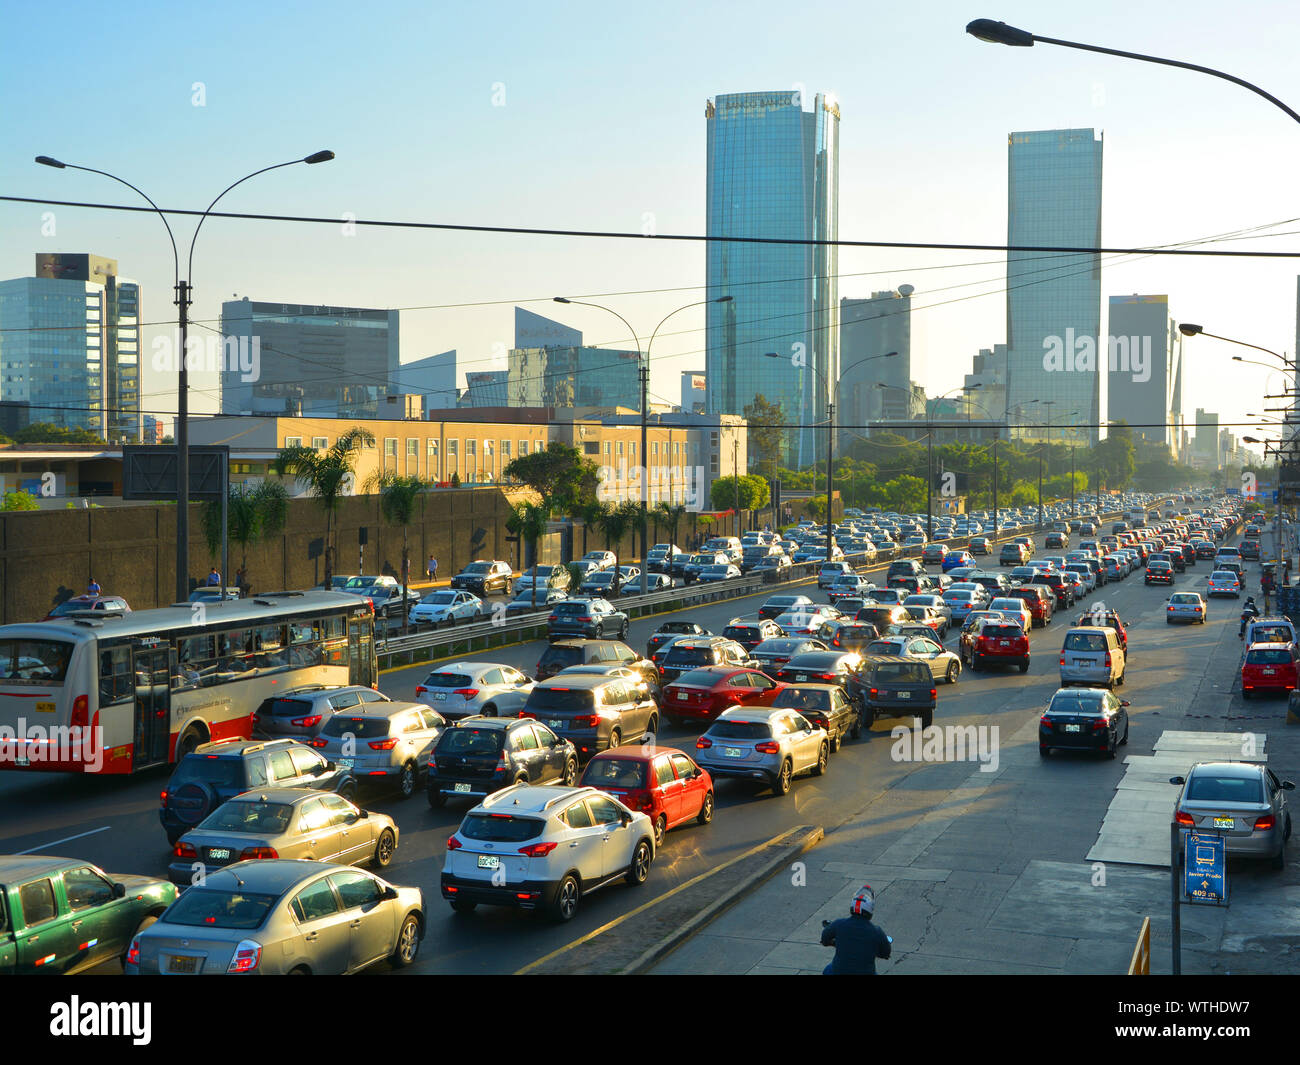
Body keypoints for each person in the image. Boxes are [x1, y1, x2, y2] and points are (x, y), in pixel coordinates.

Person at [821, 884, 892, 975]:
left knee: (827, 970)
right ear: (870, 911)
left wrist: (834, 943)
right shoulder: (876, 932)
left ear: (852, 908)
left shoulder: (839, 924)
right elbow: (886, 953)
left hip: (838, 972)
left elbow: (824, 939)